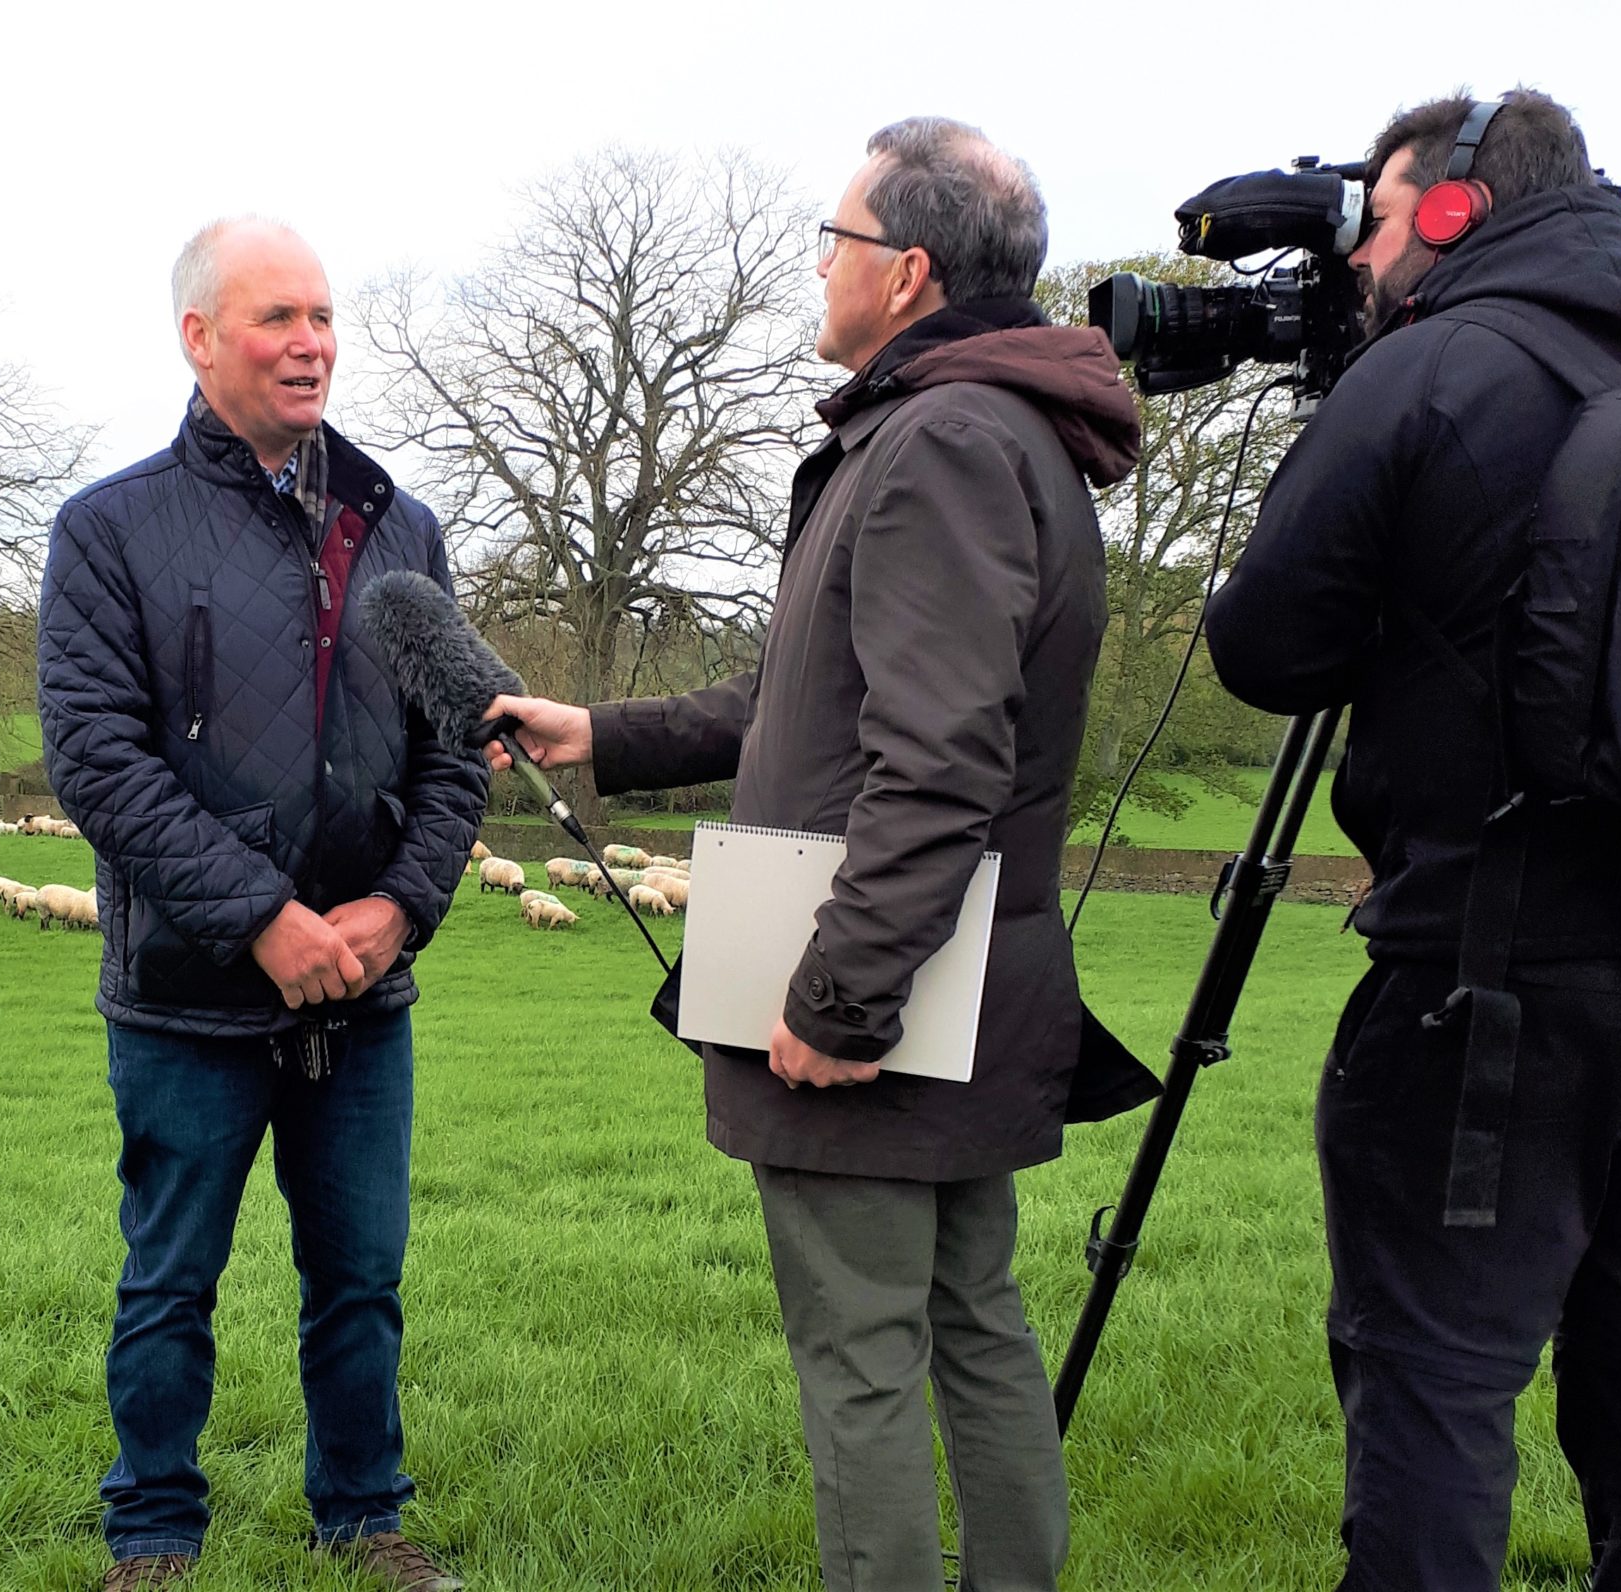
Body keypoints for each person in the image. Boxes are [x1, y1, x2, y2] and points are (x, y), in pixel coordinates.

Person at [487, 118, 1140, 1591]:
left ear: (906, 271)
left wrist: (841, 1003)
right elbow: (812, 697)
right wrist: (602, 729)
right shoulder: (979, 427)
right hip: (958, 975)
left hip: (890, 992)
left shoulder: (945, 443)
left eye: (835, 239)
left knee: (867, 1358)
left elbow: (938, 763)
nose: (823, 264)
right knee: (975, 1319)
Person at [1205, 91, 1621, 1590]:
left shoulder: (1434, 369)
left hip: (1484, 979)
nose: (1355, 255)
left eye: (1374, 219)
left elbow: (1265, 644)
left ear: (1450, 210)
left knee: (1434, 1382)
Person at [37, 217, 485, 1592]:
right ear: (199, 338)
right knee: (167, 1282)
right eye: (277, 318)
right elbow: (97, 762)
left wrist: (398, 911)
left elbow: (458, 747)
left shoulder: (398, 526)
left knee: (361, 1280)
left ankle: (365, 1519)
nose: (311, 343)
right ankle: (154, 1532)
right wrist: (262, 918)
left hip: (365, 994)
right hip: (187, 994)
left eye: (324, 317)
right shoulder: (108, 530)